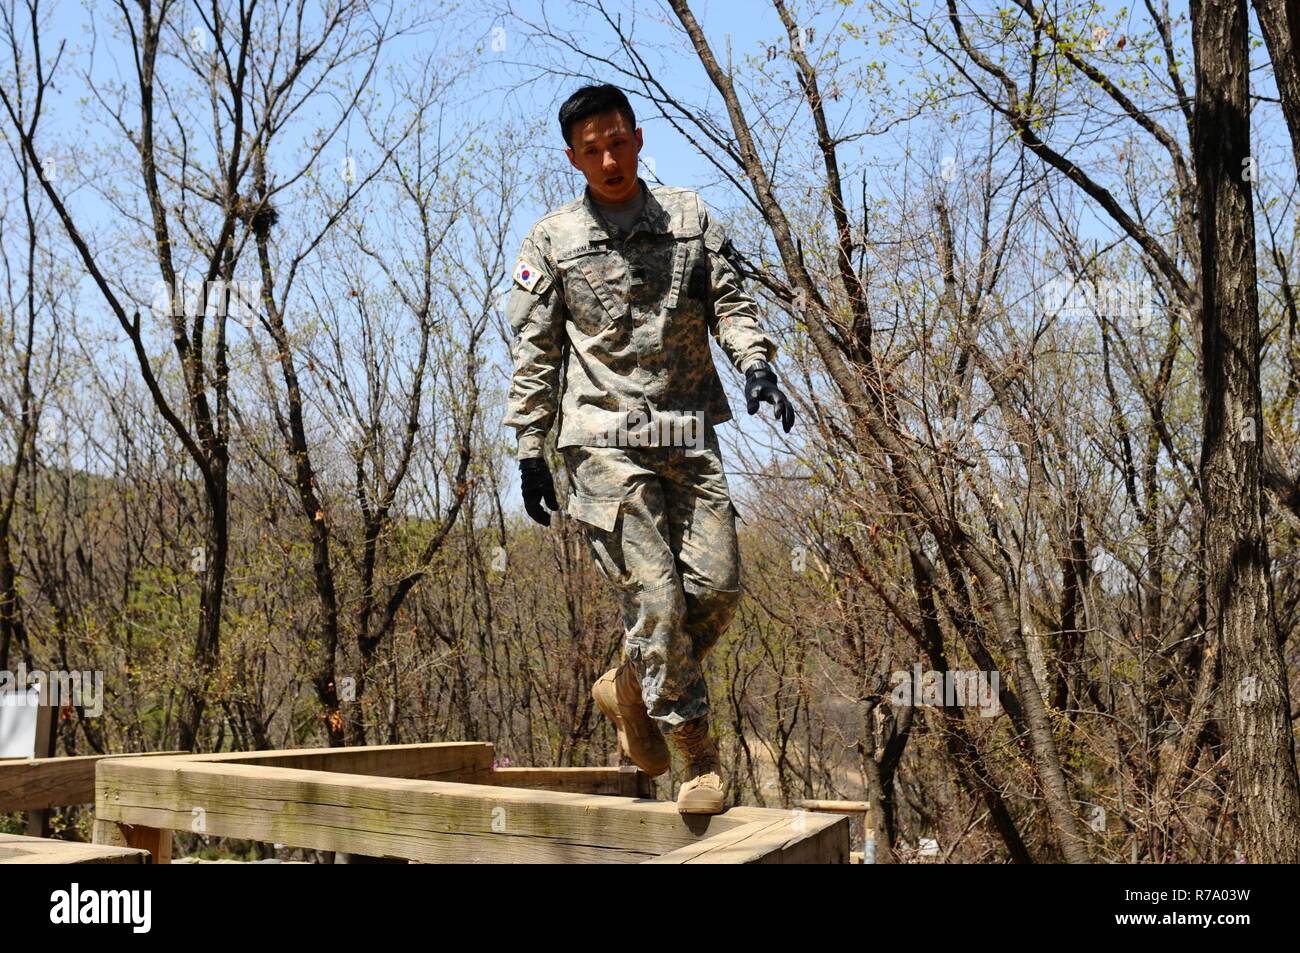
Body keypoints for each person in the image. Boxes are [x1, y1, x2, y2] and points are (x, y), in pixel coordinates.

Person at [503, 83, 795, 814]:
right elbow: (534, 351)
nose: (608, 158)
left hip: (687, 432)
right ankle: (699, 757)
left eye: (617, 141)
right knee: (658, 599)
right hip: (604, 442)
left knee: (717, 591)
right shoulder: (552, 241)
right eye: (591, 148)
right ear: (573, 157)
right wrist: (529, 444)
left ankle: (628, 685)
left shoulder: (690, 218)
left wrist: (757, 361)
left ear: (638, 137)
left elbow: (731, 301)